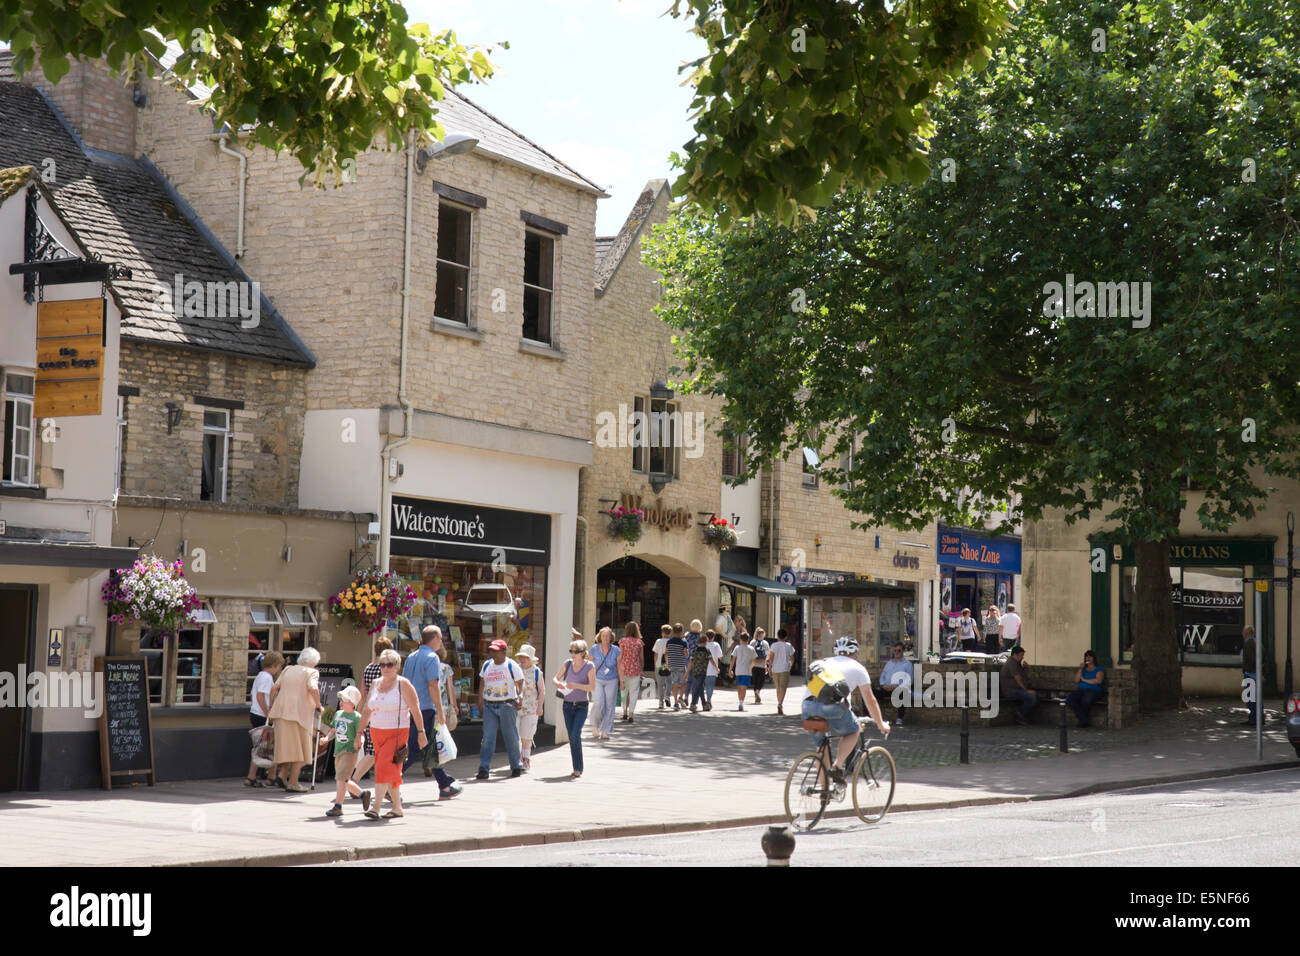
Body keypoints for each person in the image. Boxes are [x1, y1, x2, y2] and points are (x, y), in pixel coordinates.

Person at [801, 636, 890, 782]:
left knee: (821, 748)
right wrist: (880, 724)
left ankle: (825, 793)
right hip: (831, 707)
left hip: (807, 706)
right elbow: (870, 700)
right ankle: (837, 766)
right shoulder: (858, 668)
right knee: (854, 730)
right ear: (855, 653)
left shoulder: (823, 662)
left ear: (836, 652)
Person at [356, 648, 426, 818]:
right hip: (376, 732)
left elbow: (416, 710)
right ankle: (397, 807)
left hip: (397, 733)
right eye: (382, 665)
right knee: (391, 770)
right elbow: (367, 710)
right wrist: (359, 732)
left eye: (390, 665)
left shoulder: (404, 684)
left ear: (397, 666)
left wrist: (421, 731)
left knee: (382, 768)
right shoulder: (375, 683)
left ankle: (376, 807)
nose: (385, 668)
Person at [266, 645, 322, 792]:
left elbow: (274, 689)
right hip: (299, 714)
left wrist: (271, 707)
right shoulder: (312, 672)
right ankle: (293, 782)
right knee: (301, 749)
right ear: (313, 662)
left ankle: (283, 775)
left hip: (281, 712)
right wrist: (319, 705)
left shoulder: (288, 669)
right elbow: (313, 688)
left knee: (289, 747)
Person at [402, 625, 447, 780]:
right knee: (415, 746)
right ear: (434, 639)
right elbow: (433, 685)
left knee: (428, 746)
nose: (441, 641)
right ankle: (392, 779)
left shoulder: (411, 657)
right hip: (425, 708)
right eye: (440, 638)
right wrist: (440, 710)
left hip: (409, 707)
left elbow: (404, 683)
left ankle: (444, 783)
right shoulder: (433, 657)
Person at [476, 639, 525, 779]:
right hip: (489, 705)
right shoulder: (487, 665)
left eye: (496, 651)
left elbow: (521, 682)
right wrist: (480, 701)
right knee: (487, 738)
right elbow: (482, 683)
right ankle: (484, 768)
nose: (493, 653)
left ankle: (516, 765)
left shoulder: (511, 665)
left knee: (511, 737)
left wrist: (520, 696)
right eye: (491, 650)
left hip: (507, 705)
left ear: (504, 652)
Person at [349, 636, 391, 791]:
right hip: (381, 714)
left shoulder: (368, 668)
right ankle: (353, 781)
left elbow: (363, 691)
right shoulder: (385, 669)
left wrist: (359, 713)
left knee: (373, 752)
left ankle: (385, 788)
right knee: (374, 753)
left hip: (369, 712)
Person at [324, 685, 370, 816]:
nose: (341, 702)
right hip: (338, 751)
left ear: (353, 703)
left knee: (341, 779)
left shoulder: (356, 717)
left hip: (349, 751)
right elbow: (333, 730)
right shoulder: (338, 714)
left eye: (344, 699)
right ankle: (362, 794)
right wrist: (327, 738)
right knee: (343, 779)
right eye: (341, 699)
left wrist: (360, 742)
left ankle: (338, 806)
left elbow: (361, 734)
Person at [555, 638, 596, 778]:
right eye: (571, 651)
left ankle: (578, 768)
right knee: (572, 737)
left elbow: (592, 687)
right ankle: (576, 767)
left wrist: (576, 686)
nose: (573, 654)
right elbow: (555, 678)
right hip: (567, 705)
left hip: (581, 706)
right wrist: (559, 684)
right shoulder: (567, 663)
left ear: (583, 652)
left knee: (575, 734)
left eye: (576, 651)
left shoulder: (589, 666)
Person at [244, 650, 283, 787]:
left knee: (260, 746)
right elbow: (261, 696)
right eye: (278, 667)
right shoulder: (267, 677)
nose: (278, 670)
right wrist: (268, 713)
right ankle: (258, 777)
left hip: (255, 713)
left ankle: (260, 776)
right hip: (261, 715)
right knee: (266, 746)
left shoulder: (260, 675)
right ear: (274, 665)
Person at [432, 632, 462, 798]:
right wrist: (454, 705)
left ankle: (436, 771)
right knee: (438, 739)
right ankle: (438, 770)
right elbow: (450, 688)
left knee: (431, 740)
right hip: (441, 707)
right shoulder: (446, 668)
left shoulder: (427, 665)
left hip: (429, 707)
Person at [515, 644, 545, 769]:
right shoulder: (515, 669)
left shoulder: (537, 672)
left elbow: (542, 690)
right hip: (516, 708)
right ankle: (516, 760)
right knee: (515, 736)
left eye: (525, 657)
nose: (522, 660)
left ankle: (526, 759)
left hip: (531, 709)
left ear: (531, 659)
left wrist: (540, 706)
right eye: (521, 657)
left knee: (527, 736)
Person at [588, 627, 621, 740]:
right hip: (597, 679)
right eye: (603, 636)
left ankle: (605, 730)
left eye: (608, 636)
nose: (606, 638)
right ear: (600, 637)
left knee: (610, 705)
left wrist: (621, 681)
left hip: (612, 679)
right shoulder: (594, 649)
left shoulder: (616, 650)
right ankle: (595, 725)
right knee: (599, 702)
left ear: (611, 637)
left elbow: (619, 666)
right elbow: (590, 665)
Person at [877, 642, 914, 727]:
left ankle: (899, 718)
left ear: (902, 651)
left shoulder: (907, 664)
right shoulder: (889, 663)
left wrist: (896, 686)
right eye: (895, 651)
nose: (896, 652)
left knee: (903, 693)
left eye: (899, 650)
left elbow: (909, 680)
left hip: (899, 688)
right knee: (872, 692)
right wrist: (883, 685)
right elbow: (882, 676)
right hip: (887, 688)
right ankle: (874, 716)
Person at [1066, 650, 1105, 728]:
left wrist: (1084, 680)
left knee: (1086, 700)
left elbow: (1098, 681)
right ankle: (1084, 720)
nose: (1088, 658)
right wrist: (1080, 669)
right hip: (1081, 690)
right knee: (1070, 699)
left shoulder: (1099, 668)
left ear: (1094, 658)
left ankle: (1083, 721)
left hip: (1093, 690)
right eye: (1086, 656)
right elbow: (1076, 680)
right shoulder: (1083, 669)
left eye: (1090, 656)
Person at [1000, 645, 1037, 724]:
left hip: (1016, 689)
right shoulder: (1012, 663)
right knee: (1032, 698)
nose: (1022, 657)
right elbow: (1018, 680)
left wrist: (1026, 668)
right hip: (1010, 691)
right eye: (1021, 655)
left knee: (1036, 696)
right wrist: (1027, 691)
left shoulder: (1017, 663)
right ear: (1015, 655)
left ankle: (1022, 714)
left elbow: (1024, 676)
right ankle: (1020, 713)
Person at [619, 622, 645, 723]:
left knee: (624, 692)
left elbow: (620, 656)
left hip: (624, 669)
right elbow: (641, 658)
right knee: (634, 693)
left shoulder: (622, 641)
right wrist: (641, 669)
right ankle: (631, 714)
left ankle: (624, 712)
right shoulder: (639, 642)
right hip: (635, 669)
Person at [768, 630, 795, 715]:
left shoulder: (773, 645)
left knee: (778, 687)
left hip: (775, 669)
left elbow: (771, 658)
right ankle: (780, 703)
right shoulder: (788, 645)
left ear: (778, 636)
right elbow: (792, 658)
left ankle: (779, 702)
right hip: (785, 669)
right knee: (783, 688)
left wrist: (769, 668)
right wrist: (790, 666)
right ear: (786, 637)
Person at [730, 631, 757, 711]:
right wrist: (751, 667)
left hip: (738, 670)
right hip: (747, 671)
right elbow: (754, 660)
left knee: (739, 687)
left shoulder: (737, 648)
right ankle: (741, 702)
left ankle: (740, 701)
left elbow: (733, 659)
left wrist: (730, 669)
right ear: (748, 640)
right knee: (744, 687)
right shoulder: (751, 649)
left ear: (740, 640)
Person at [665, 623, 689, 710]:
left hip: (672, 665)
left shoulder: (669, 641)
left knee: (674, 683)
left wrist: (667, 664)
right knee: (683, 682)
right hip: (681, 665)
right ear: (681, 631)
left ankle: (675, 703)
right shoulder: (684, 642)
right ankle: (680, 697)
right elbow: (686, 654)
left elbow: (666, 653)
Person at [687, 635, 713, 712]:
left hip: (695, 672)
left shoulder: (694, 651)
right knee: (698, 687)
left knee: (700, 687)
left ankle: (704, 705)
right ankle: (693, 704)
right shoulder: (707, 651)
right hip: (703, 672)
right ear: (705, 642)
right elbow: (711, 660)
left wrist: (687, 672)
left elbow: (690, 662)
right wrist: (717, 668)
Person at [652, 624, 672, 709]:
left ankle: (661, 702)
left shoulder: (658, 641)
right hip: (669, 664)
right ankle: (667, 695)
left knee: (660, 684)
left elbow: (656, 654)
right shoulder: (671, 641)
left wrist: (655, 664)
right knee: (669, 682)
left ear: (662, 632)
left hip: (659, 665)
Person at [703, 628, 723, 708]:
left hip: (703, 669)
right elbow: (720, 656)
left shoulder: (703, 644)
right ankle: (708, 700)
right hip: (713, 669)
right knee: (710, 686)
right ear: (713, 637)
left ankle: (705, 701)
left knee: (704, 686)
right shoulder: (716, 645)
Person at [1242, 625, 1257, 726]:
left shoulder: (1249, 644)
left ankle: (1254, 718)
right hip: (1252, 674)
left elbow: (1253, 659)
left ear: (1247, 633)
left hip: (1251, 674)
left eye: (1243, 631)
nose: (1242, 633)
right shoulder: (1255, 642)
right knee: (1253, 697)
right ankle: (1256, 718)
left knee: (1251, 698)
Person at [750, 627, 770, 703]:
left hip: (754, 664)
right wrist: (767, 664)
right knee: (761, 681)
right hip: (762, 664)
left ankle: (756, 692)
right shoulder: (765, 643)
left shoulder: (752, 642)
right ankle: (758, 692)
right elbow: (768, 654)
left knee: (755, 681)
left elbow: (750, 653)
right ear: (763, 635)